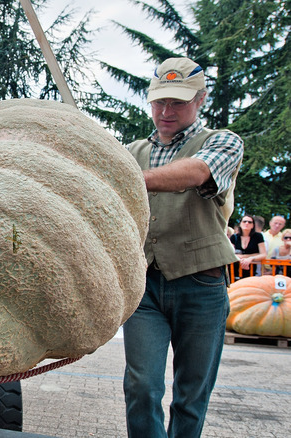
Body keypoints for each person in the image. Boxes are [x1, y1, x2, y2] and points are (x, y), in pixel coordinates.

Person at [123, 57, 244, 437]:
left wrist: (126, 177)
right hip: (144, 287)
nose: (166, 111)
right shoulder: (131, 151)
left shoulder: (223, 142)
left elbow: (195, 173)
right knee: (141, 385)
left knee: (191, 395)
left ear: (201, 100)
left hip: (202, 286)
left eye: (178, 102)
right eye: (159, 101)